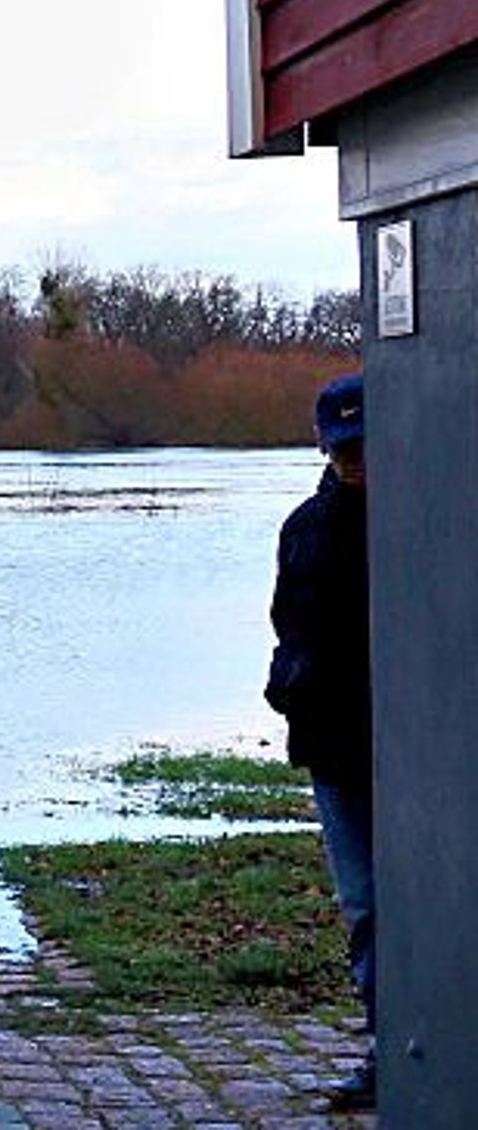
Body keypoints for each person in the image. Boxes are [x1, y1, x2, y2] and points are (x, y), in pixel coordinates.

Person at [264, 372, 374, 1112]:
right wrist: (290, 687)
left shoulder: (432, 517)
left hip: (415, 752)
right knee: (365, 905)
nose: (356, 461)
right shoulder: (305, 527)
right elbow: (289, 624)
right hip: (335, 745)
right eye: (344, 450)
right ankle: (389, 1044)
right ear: (324, 447)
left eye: (365, 446)